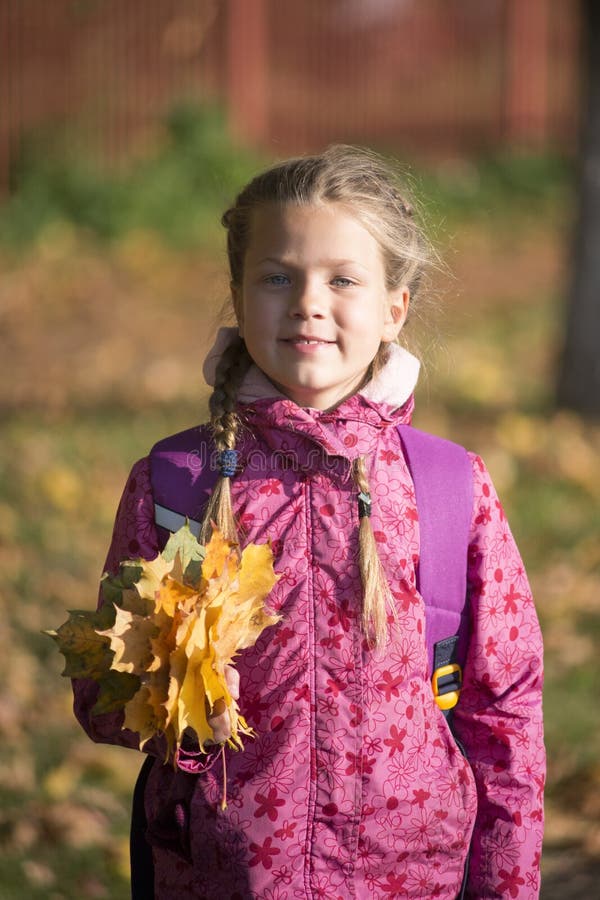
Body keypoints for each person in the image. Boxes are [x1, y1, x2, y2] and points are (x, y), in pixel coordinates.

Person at [73, 145, 545, 899]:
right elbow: (102, 702)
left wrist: (508, 888)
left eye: (343, 279)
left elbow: (506, 712)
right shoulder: (176, 483)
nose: (307, 302)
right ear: (238, 290)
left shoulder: (449, 487)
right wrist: (171, 694)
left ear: (396, 304)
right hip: (221, 876)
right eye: (276, 277)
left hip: (412, 879)